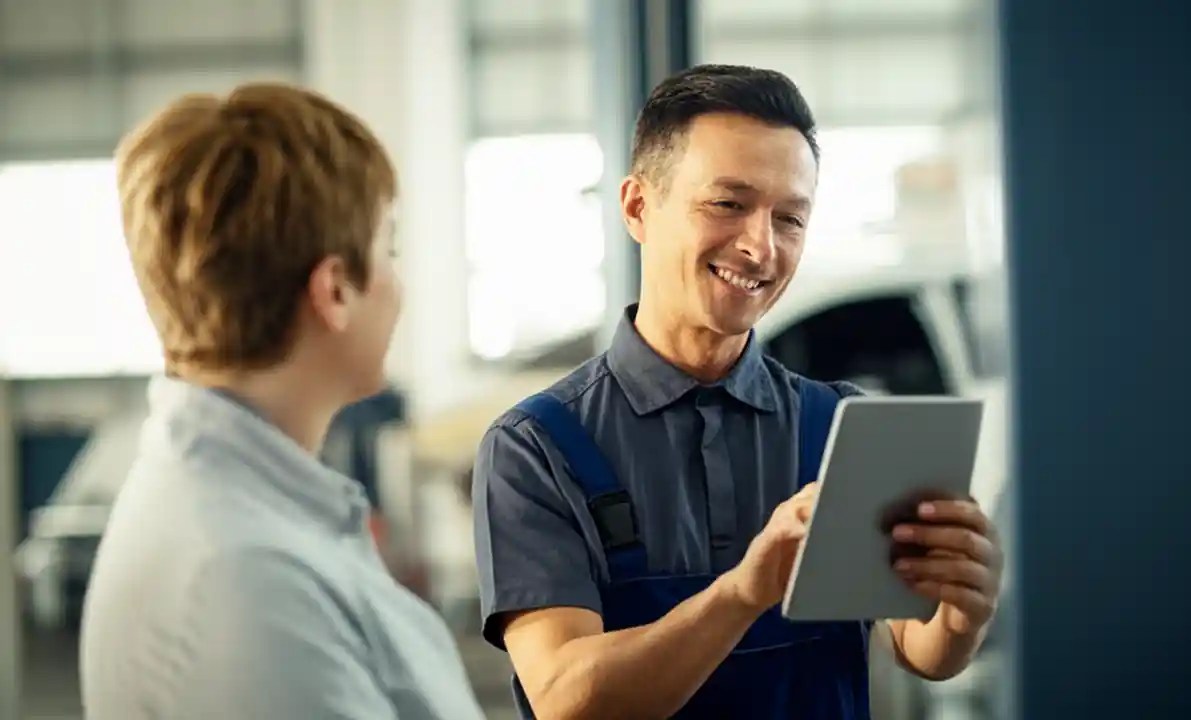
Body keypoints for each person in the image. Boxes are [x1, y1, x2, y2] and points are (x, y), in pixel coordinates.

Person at [472, 64, 1004, 719]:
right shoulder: (536, 449)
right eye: (728, 204)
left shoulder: (840, 424)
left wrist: (961, 609)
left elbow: (920, 649)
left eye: (789, 219)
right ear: (639, 207)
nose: (761, 247)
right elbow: (567, 699)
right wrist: (743, 593)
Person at [80, 83, 484, 720]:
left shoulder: (245, 513)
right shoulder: (249, 582)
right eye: (390, 249)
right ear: (334, 291)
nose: (399, 283)